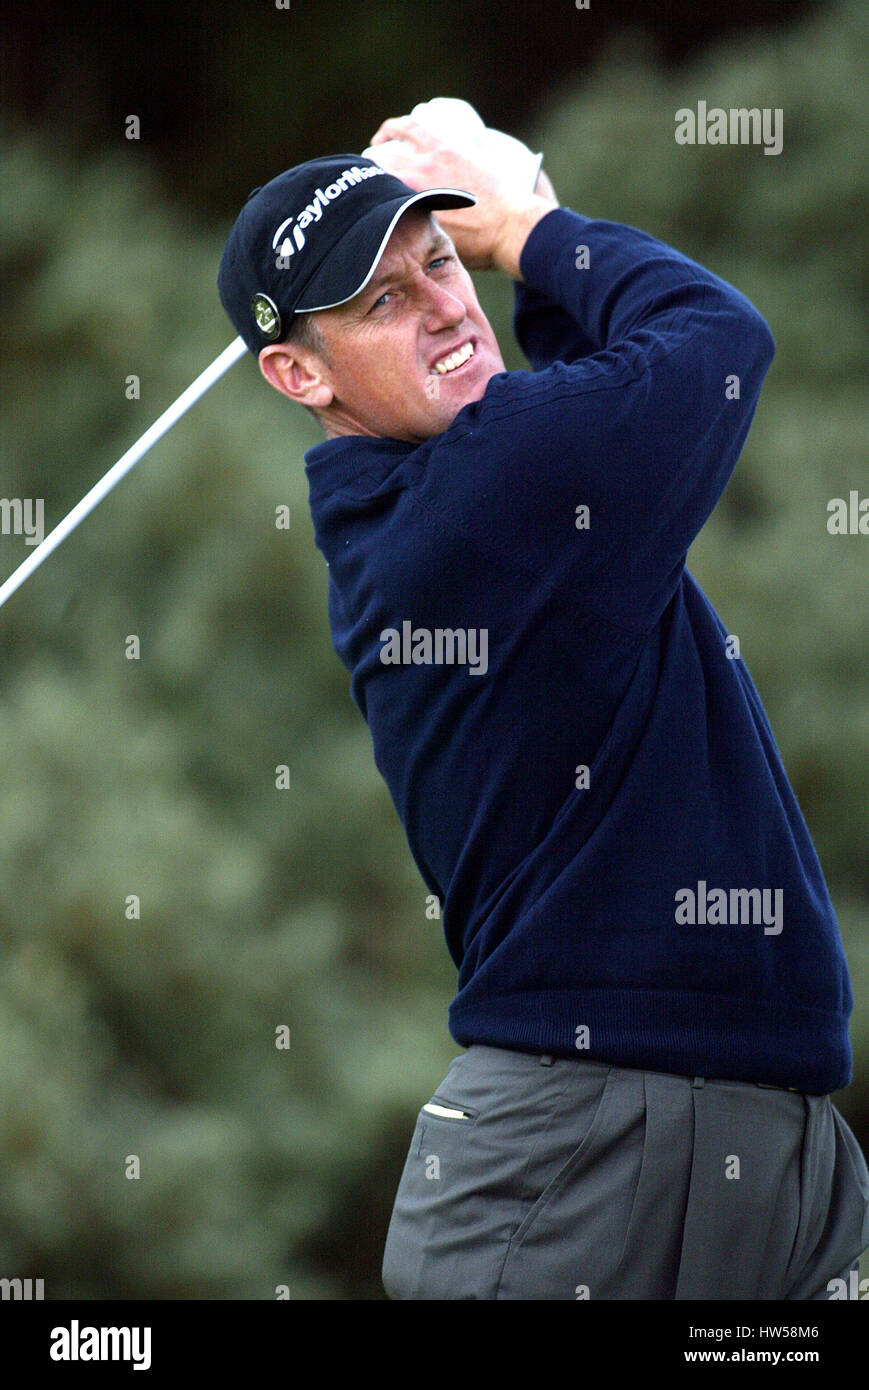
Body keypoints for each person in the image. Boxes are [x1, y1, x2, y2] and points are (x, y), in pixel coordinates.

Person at [218, 112, 869, 1300]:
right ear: (297, 373)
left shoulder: (483, 489)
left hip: (759, 1159)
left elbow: (593, 382)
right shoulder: (478, 499)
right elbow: (718, 339)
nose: (441, 304)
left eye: (439, 259)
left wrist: (528, 216)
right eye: (378, 301)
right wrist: (520, 220)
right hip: (573, 1167)